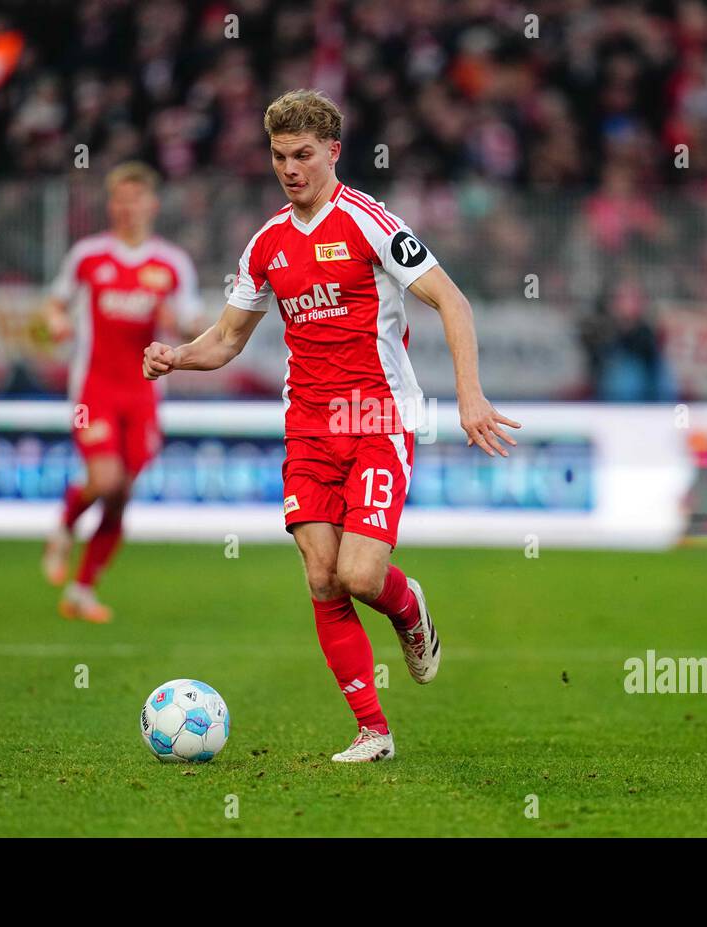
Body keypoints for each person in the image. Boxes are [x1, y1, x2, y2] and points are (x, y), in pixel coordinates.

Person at [143, 90, 520, 761]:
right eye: (279, 156)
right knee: (322, 577)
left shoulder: (371, 223)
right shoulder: (266, 244)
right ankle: (373, 731)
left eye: (303, 155)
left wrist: (470, 396)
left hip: (378, 418)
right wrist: (177, 356)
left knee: (361, 575)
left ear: (333, 152)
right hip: (308, 428)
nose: (290, 169)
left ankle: (408, 608)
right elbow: (226, 339)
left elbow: (452, 301)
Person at [41, 161, 201, 622]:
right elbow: (55, 302)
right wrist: (56, 320)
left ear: (152, 205)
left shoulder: (171, 263)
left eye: (136, 199)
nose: (127, 208)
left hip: (144, 394)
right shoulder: (89, 256)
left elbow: (193, 322)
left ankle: (82, 590)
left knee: (120, 494)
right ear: (111, 205)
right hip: (94, 388)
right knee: (106, 478)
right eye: (120, 200)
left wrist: (181, 325)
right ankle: (64, 528)